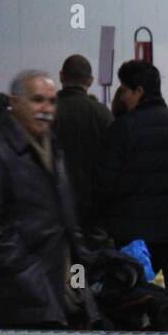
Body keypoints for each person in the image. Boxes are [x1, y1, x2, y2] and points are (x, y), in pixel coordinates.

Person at [0, 69, 90, 329]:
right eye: (37, 100)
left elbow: (67, 219)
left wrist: (81, 282)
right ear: (15, 102)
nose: (46, 108)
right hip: (19, 293)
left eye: (52, 101)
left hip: (61, 279)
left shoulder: (52, 147)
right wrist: (27, 273)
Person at [96, 59, 168, 294]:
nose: (123, 96)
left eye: (125, 90)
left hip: (132, 236)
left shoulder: (122, 129)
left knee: (136, 300)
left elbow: (104, 183)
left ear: (139, 91)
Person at [54, 53, 112, 239]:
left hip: (55, 209)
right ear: (90, 80)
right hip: (94, 211)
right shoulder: (103, 114)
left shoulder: (47, 112)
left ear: (61, 76)